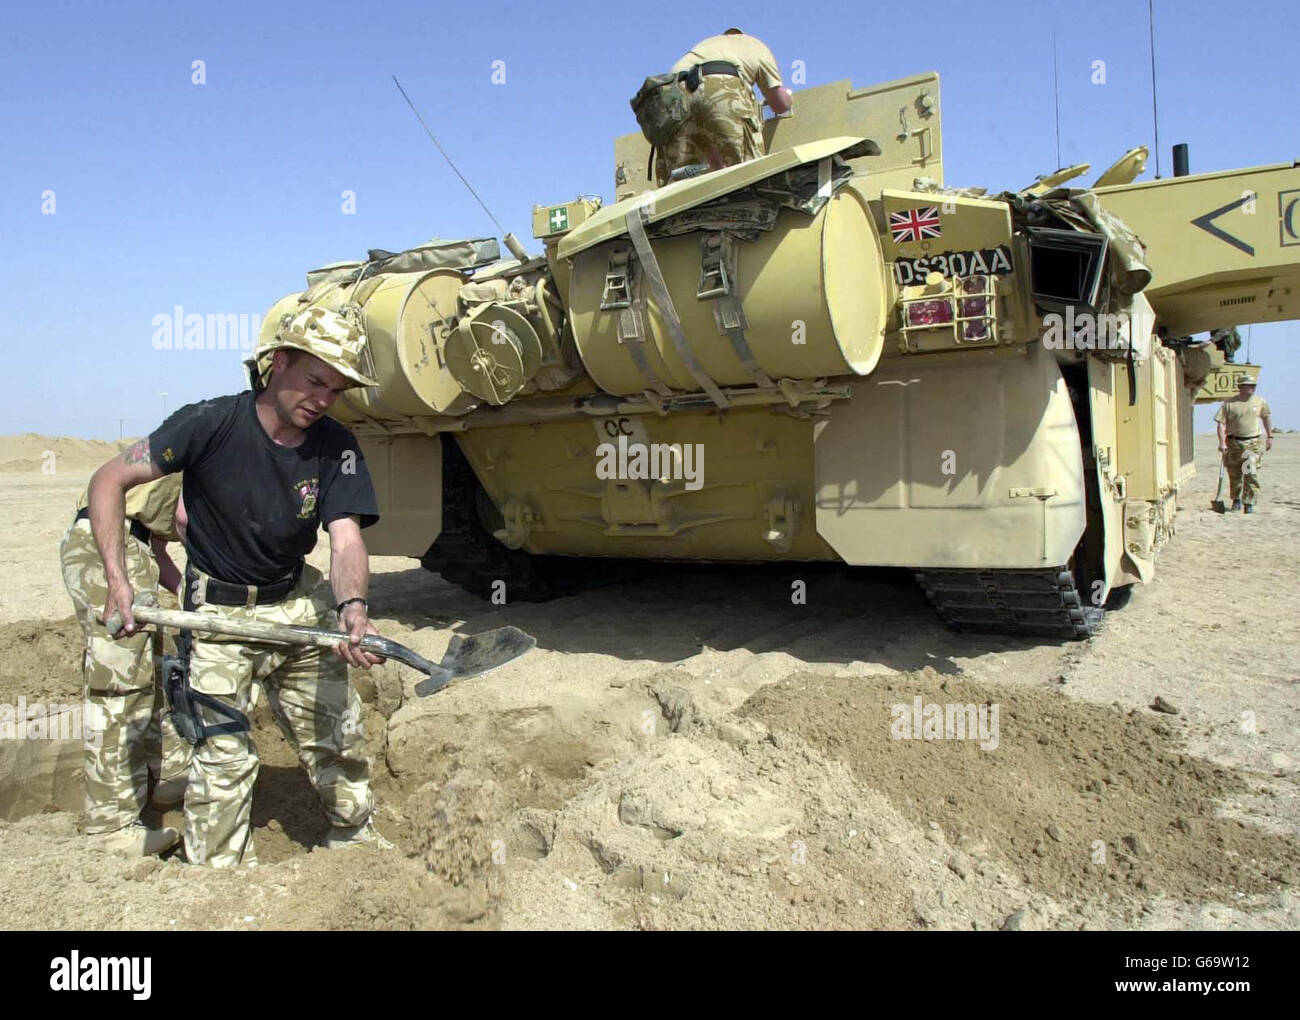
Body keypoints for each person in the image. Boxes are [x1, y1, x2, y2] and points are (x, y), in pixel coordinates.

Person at [88, 305, 387, 866]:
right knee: (223, 761)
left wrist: (353, 609)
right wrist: (118, 582)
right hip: (219, 620)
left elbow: (345, 540)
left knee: (338, 737)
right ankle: (216, 883)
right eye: (314, 381)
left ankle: (355, 849)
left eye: (337, 389)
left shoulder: (337, 446)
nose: (323, 399)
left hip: (297, 608)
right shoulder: (209, 424)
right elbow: (109, 478)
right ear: (277, 364)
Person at [59, 473, 192, 855]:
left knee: (147, 666)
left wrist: (187, 593)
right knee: (120, 683)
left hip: (128, 547)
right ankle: (111, 825)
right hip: (113, 548)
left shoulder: (156, 478)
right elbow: (185, 523)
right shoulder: (210, 444)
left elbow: (157, 549)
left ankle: (166, 774)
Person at [655, 27, 794, 187]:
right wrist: (788, 98)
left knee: (684, 184)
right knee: (748, 175)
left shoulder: (705, 46)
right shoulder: (755, 45)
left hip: (671, 94)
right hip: (718, 84)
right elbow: (779, 104)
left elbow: (708, 138)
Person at [1214, 373, 1273, 513]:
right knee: (1235, 474)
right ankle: (1236, 500)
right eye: (1249, 386)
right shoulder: (1229, 404)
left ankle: (1249, 502)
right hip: (1234, 443)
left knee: (1250, 472)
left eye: (1253, 386)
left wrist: (1270, 436)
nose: (1252, 388)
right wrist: (1222, 443)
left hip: (1252, 443)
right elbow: (1221, 424)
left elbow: (1266, 418)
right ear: (1241, 387)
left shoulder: (1260, 402)